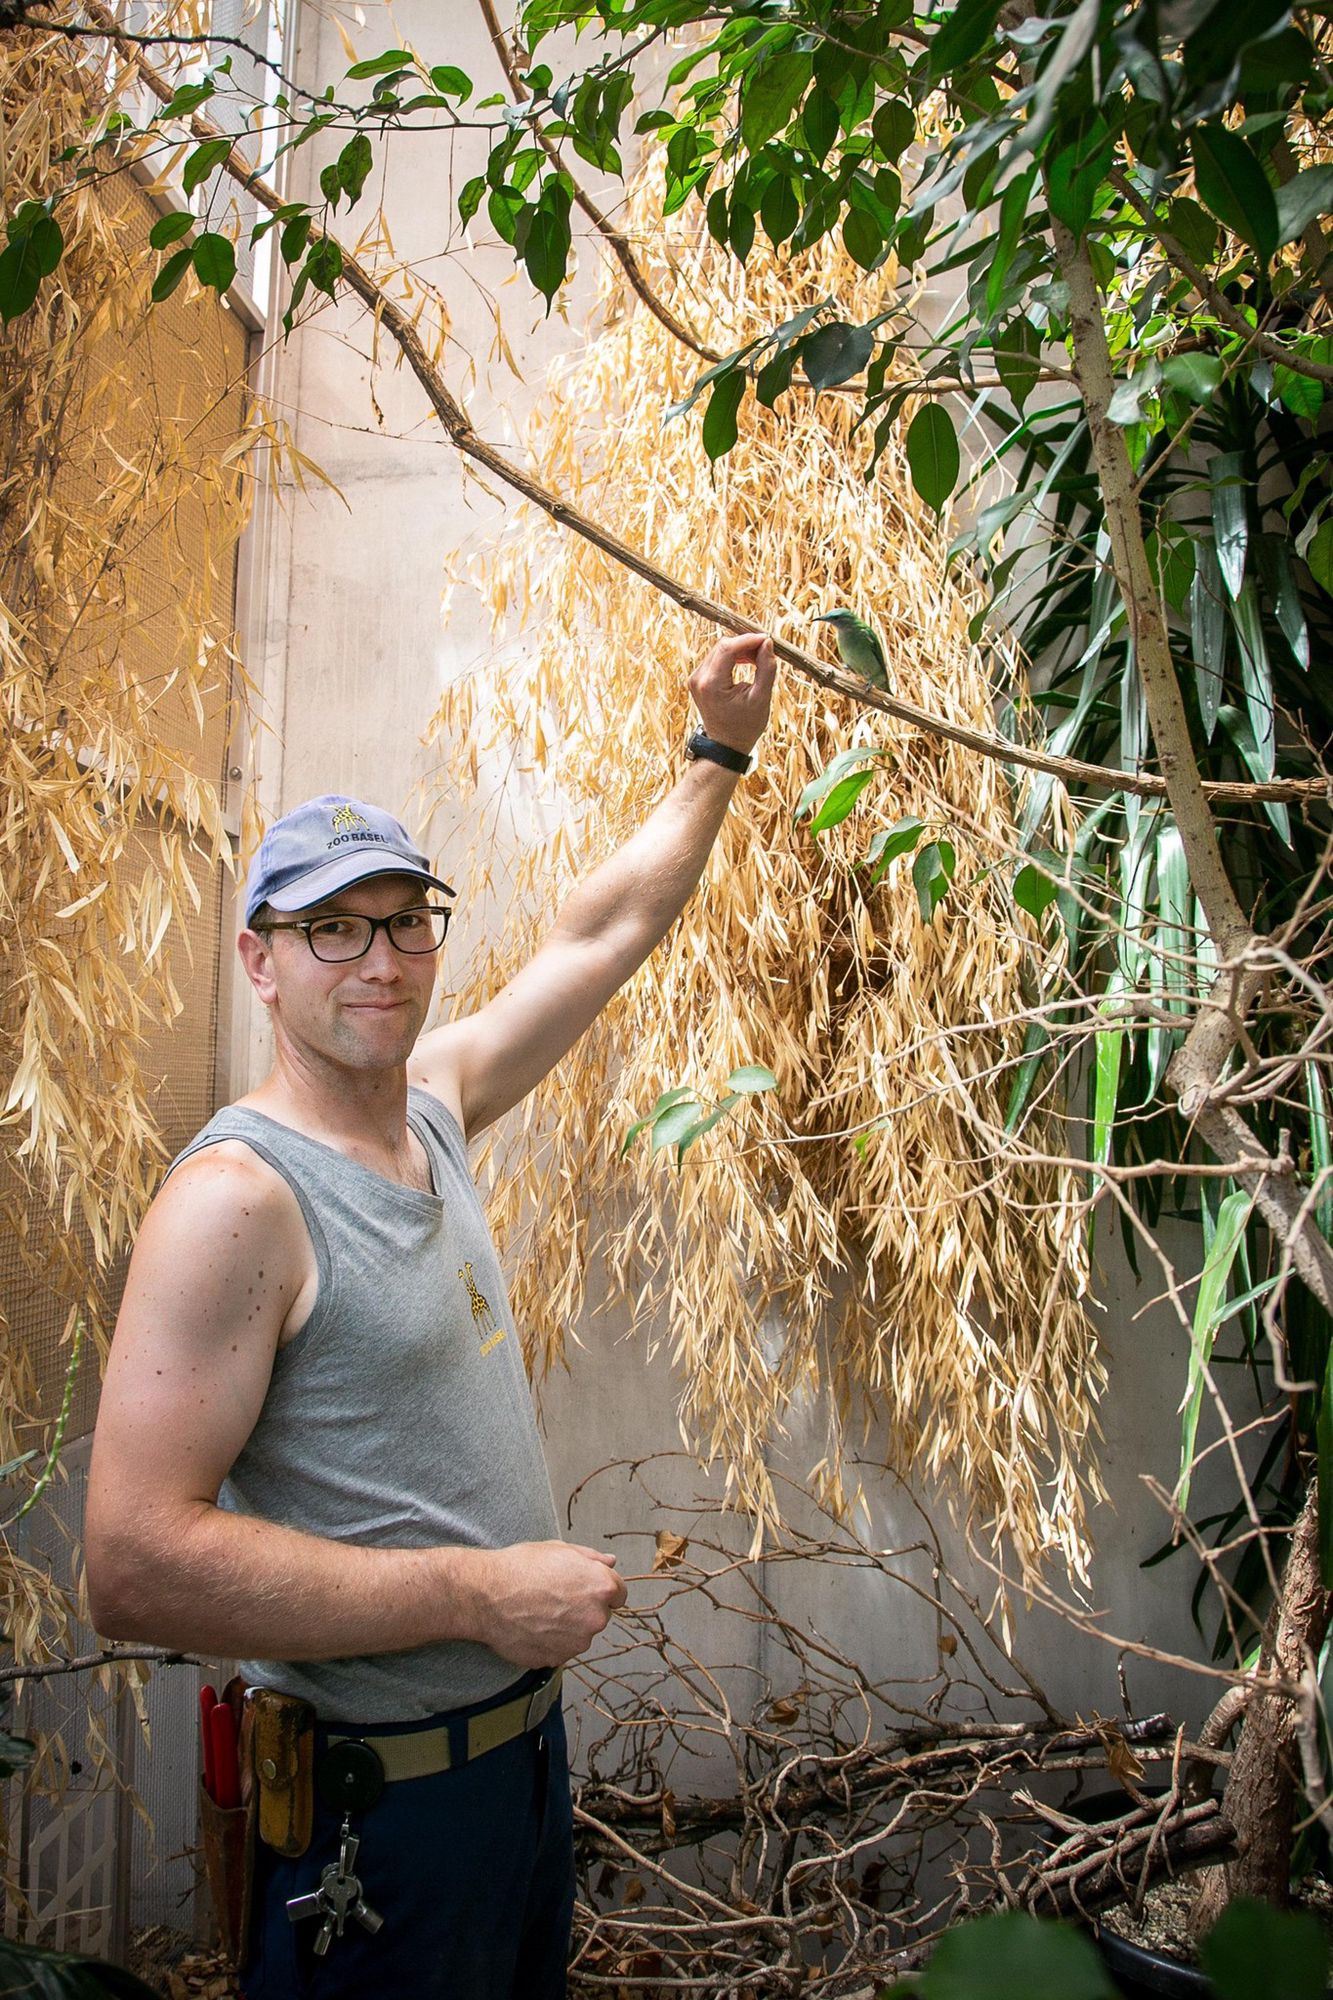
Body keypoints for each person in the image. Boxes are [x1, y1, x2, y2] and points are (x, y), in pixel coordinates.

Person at [84, 632, 777, 1999]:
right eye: (332, 927)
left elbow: (602, 932)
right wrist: (471, 1590)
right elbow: (132, 1565)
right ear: (260, 959)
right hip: (374, 1815)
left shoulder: (435, 1108)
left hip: (515, 1769)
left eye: (405, 919)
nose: (380, 960)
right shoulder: (238, 1202)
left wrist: (717, 755)